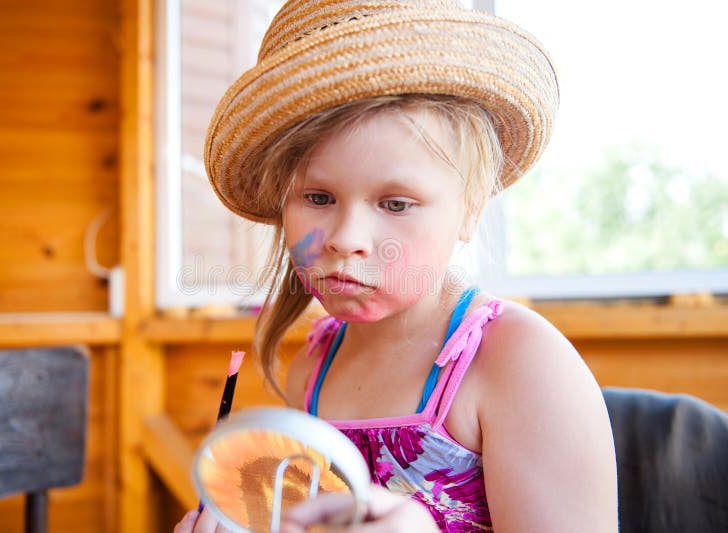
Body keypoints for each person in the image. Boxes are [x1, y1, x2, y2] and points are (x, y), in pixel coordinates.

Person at [177, 0, 618, 531]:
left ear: (470, 209)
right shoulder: (311, 372)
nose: (346, 239)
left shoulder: (518, 363)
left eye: (396, 204)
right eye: (317, 197)